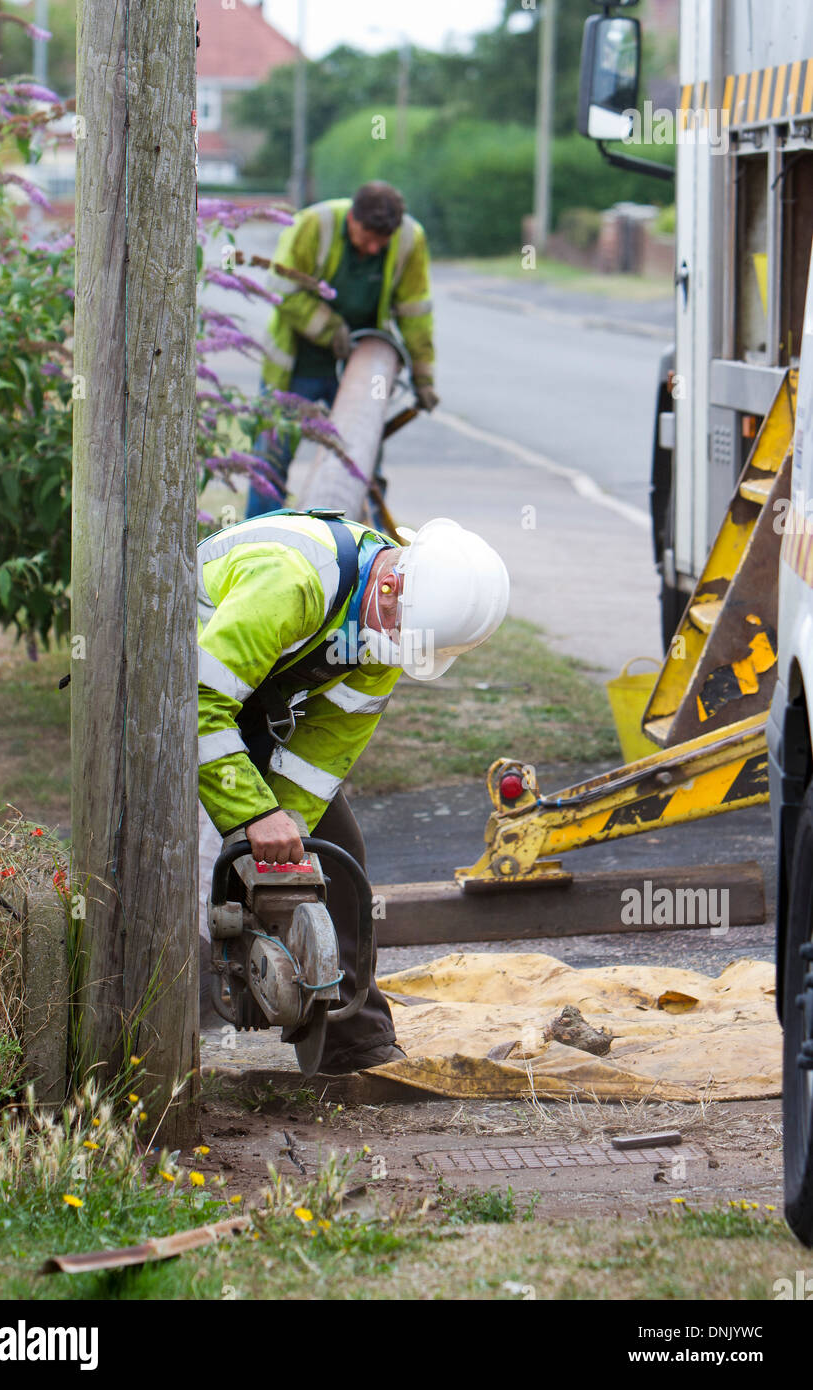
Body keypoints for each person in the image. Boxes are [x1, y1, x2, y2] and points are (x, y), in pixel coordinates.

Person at [197, 509, 509, 1073]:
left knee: (333, 857)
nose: (393, 651)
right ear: (389, 586)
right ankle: (145, 1048)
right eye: (397, 637)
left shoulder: (393, 627)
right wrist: (252, 817)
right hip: (164, 693)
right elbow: (193, 702)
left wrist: (285, 829)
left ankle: (350, 1045)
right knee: (181, 871)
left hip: (236, 704)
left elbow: (320, 753)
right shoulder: (292, 581)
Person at [246, 182, 437, 518]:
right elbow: (282, 288)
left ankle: (370, 550)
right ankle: (254, 543)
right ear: (352, 217)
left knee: (363, 465)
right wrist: (330, 329)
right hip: (297, 366)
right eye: (368, 237)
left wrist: (424, 377)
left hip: (357, 372)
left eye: (383, 241)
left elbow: (415, 312)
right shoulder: (314, 225)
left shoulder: (409, 239)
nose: (375, 248)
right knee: (269, 462)